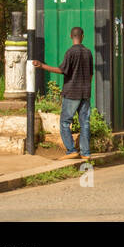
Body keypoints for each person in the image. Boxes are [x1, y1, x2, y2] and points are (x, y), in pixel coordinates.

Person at [33, 26, 94, 160]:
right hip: (85, 93)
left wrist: (42, 66)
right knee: (85, 123)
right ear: (82, 36)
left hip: (72, 92)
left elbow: (62, 70)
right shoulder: (88, 52)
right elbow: (90, 75)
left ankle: (71, 150)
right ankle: (85, 153)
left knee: (65, 122)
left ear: (71, 36)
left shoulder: (70, 52)